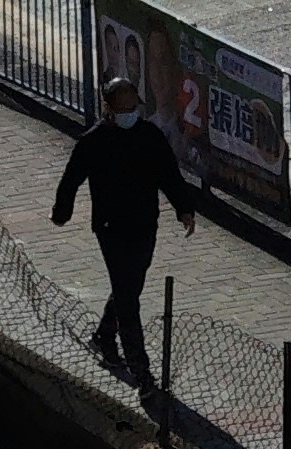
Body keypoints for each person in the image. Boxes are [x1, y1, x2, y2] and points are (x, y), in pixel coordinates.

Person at [51, 71, 200, 401]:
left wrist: (183, 208)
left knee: (129, 285)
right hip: (111, 229)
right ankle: (140, 371)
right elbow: (71, 179)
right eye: (124, 108)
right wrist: (62, 212)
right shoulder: (93, 142)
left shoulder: (149, 136)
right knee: (128, 297)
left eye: (134, 107)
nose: (130, 113)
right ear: (108, 109)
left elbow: (169, 175)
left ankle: (105, 334)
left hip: (145, 225)